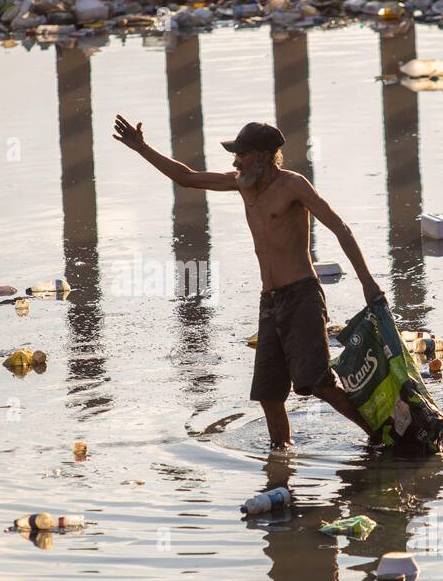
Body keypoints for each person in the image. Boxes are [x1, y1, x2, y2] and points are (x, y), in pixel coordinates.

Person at [113, 115, 385, 449]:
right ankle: (280, 454)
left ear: (263, 156)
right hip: (270, 301)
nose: (234, 160)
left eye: (241, 154)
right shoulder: (243, 184)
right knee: (269, 394)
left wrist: (367, 283)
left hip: (301, 295)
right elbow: (186, 178)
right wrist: (142, 148)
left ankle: (381, 436)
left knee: (319, 384)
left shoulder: (293, 185)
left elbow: (340, 227)